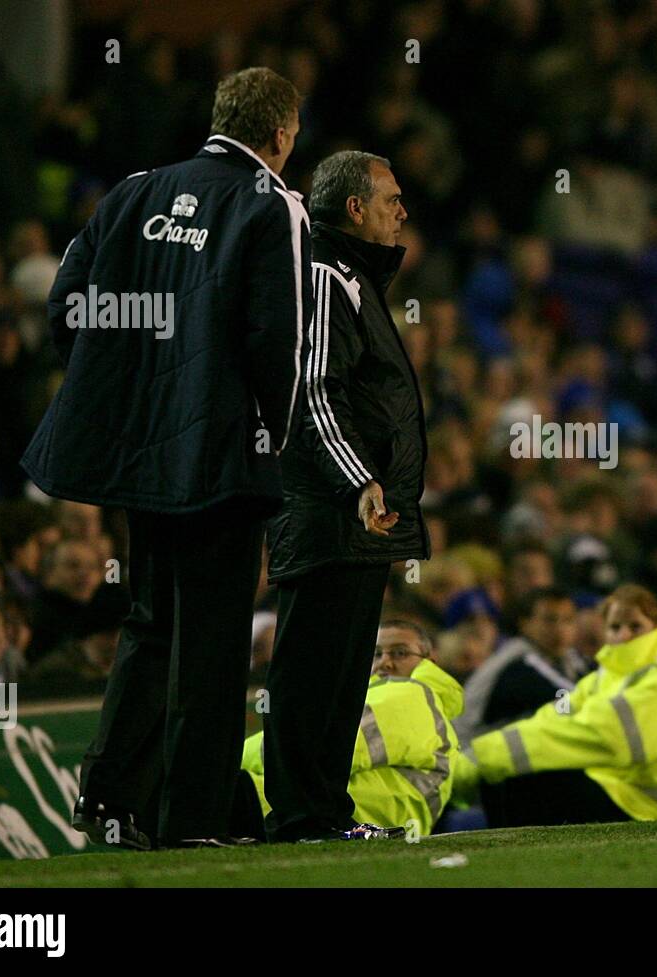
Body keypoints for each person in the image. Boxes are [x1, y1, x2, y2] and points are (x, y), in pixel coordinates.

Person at [21, 67, 310, 850]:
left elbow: (67, 301)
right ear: (282, 135)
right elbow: (275, 339)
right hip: (220, 454)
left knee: (149, 624)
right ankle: (192, 820)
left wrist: (118, 393)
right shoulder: (271, 203)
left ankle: (111, 799)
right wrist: (274, 441)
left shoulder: (135, 189)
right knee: (214, 642)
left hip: (139, 455)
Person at [261, 150, 429, 843]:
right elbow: (315, 393)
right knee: (312, 670)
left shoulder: (353, 277)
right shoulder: (330, 277)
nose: (403, 211)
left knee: (337, 673)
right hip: (331, 508)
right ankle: (302, 814)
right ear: (355, 208)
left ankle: (323, 814)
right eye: (390, 198)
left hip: (357, 515)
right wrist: (359, 478)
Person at [472, 584, 657, 827]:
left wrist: (493, 754)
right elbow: (554, 718)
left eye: (635, 626)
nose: (624, 635)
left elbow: (608, 739)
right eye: (615, 627)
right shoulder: (602, 677)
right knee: (509, 772)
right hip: (627, 791)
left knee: (529, 775)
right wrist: (491, 754)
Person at [237, 620, 473, 840]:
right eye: (376, 653)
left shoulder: (413, 695)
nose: (385, 662)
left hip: (291, 813)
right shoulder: (418, 709)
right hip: (336, 823)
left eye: (400, 652)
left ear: (429, 662)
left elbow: (320, 750)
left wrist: (228, 764)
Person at [456, 586, 590, 741]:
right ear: (525, 624)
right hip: (470, 751)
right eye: (549, 620)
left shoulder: (567, 657)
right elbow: (567, 696)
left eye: (568, 620)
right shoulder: (518, 661)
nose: (560, 629)